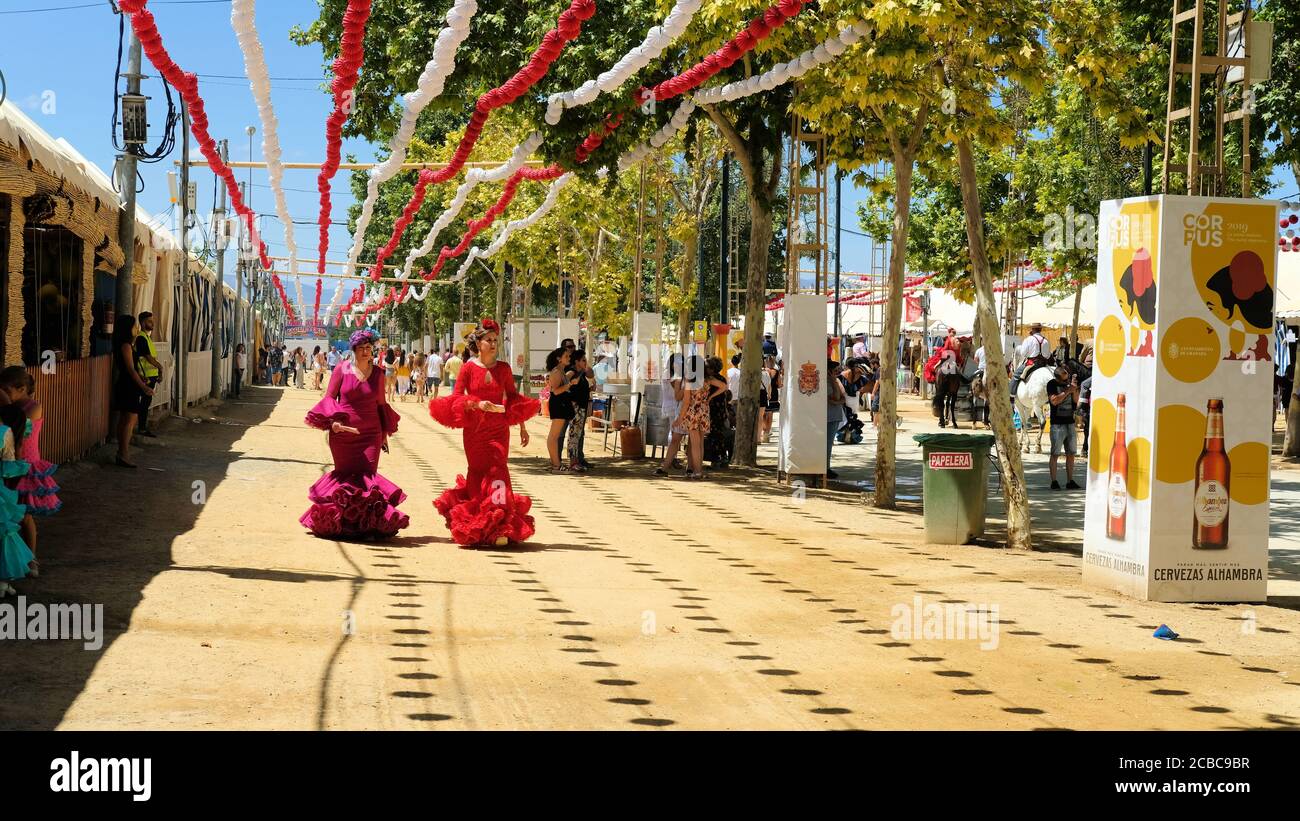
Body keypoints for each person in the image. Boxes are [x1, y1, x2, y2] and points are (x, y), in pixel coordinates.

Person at [428, 319, 539, 546]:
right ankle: (478, 523)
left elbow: (513, 399)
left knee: (498, 469)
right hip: (475, 432)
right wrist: (477, 404)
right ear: (478, 344)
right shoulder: (468, 368)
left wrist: (522, 426)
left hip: (499, 430)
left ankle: (499, 522)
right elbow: (457, 397)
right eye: (488, 340)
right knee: (478, 471)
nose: (493, 343)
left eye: (495, 340)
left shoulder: (504, 369)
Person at [300, 329, 409, 539]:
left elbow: (381, 404)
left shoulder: (378, 374)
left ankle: (364, 525)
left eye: (369, 348)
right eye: (362, 348)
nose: (367, 352)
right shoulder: (342, 369)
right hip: (343, 435)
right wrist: (333, 424)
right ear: (354, 349)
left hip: (371, 434)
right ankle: (344, 524)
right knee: (346, 475)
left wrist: (384, 434)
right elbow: (330, 398)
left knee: (367, 477)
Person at [0, 368, 55, 578]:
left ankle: (31, 557)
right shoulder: (10, 407)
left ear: (22, 389)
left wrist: (5, 404)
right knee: (8, 516)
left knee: (25, 516)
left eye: (7, 390)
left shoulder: (32, 408)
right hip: (9, 465)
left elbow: (16, 425)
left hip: (26, 467)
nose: (4, 394)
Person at [0, 405, 34, 597]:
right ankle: (3, 581)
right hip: (1, 491)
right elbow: (9, 465)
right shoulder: (6, 433)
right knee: (4, 534)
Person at [111, 316, 153, 468]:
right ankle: (123, 453)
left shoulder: (126, 345)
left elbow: (132, 369)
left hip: (127, 383)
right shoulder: (126, 346)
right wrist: (143, 386)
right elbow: (130, 369)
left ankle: (122, 453)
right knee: (129, 420)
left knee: (125, 419)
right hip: (128, 385)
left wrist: (141, 378)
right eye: (134, 326)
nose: (136, 328)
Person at [675, 355, 723, 480]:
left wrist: (680, 418)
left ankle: (697, 472)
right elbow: (724, 386)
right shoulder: (708, 379)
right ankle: (699, 470)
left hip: (692, 413)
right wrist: (710, 397)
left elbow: (686, 402)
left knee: (695, 444)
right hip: (704, 411)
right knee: (700, 443)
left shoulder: (689, 381)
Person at [1046, 364, 1082, 490]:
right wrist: (1068, 390)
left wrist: (1075, 389)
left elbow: (1075, 402)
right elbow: (1054, 400)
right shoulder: (1051, 385)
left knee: (1071, 453)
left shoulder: (1069, 385)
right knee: (1055, 453)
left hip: (1070, 423)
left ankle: (1070, 480)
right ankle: (1054, 481)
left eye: (1067, 378)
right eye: (1064, 379)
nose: (1066, 381)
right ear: (1057, 378)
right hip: (1057, 425)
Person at [654, 353, 686, 477]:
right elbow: (676, 390)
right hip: (673, 405)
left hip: (674, 405)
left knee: (674, 433)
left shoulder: (672, 373)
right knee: (674, 433)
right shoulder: (671, 375)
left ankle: (673, 458)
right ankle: (672, 459)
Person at [544, 347, 575, 472]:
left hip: (562, 404)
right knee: (554, 436)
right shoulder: (556, 372)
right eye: (566, 356)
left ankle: (555, 463)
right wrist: (569, 385)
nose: (569, 358)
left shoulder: (561, 371)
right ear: (559, 359)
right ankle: (556, 465)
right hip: (559, 404)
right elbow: (555, 391)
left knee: (555, 436)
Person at [134, 312, 163, 437]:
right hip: (145, 376)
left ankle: (141, 427)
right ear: (143, 322)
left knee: (145, 403)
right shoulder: (141, 338)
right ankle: (141, 428)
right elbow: (148, 358)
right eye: (150, 321)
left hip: (150, 375)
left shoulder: (146, 337)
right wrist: (160, 367)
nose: (153, 323)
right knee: (144, 404)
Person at [704, 356, 734, 469]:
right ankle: (723, 458)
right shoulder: (722, 378)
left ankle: (716, 459)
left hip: (713, 410)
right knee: (719, 434)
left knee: (714, 435)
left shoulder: (711, 379)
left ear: (712, 368)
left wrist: (710, 397)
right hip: (721, 410)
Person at [566, 349, 592, 471]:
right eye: (583, 360)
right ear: (576, 361)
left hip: (581, 407)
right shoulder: (572, 372)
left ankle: (575, 460)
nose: (585, 362)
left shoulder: (581, 374)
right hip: (575, 407)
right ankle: (572, 461)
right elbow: (564, 383)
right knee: (574, 434)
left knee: (577, 434)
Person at [1010, 322, 1051, 397]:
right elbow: (1048, 356)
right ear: (1040, 329)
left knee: (1015, 375)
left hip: (1032, 363)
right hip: (1043, 364)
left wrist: (1029, 354)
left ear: (1033, 330)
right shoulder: (1046, 341)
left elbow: (1023, 353)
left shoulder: (1029, 339)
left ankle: (1011, 397)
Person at [826, 359, 847, 479]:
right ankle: (826, 468)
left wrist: (838, 400)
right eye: (834, 370)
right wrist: (834, 382)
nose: (837, 372)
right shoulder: (829, 382)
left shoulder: (834, 381)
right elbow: (836, 397)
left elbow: (843, 398)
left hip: (834, 416)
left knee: (829, 443)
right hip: (829, 416)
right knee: (827, 444)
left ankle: (827, 466)